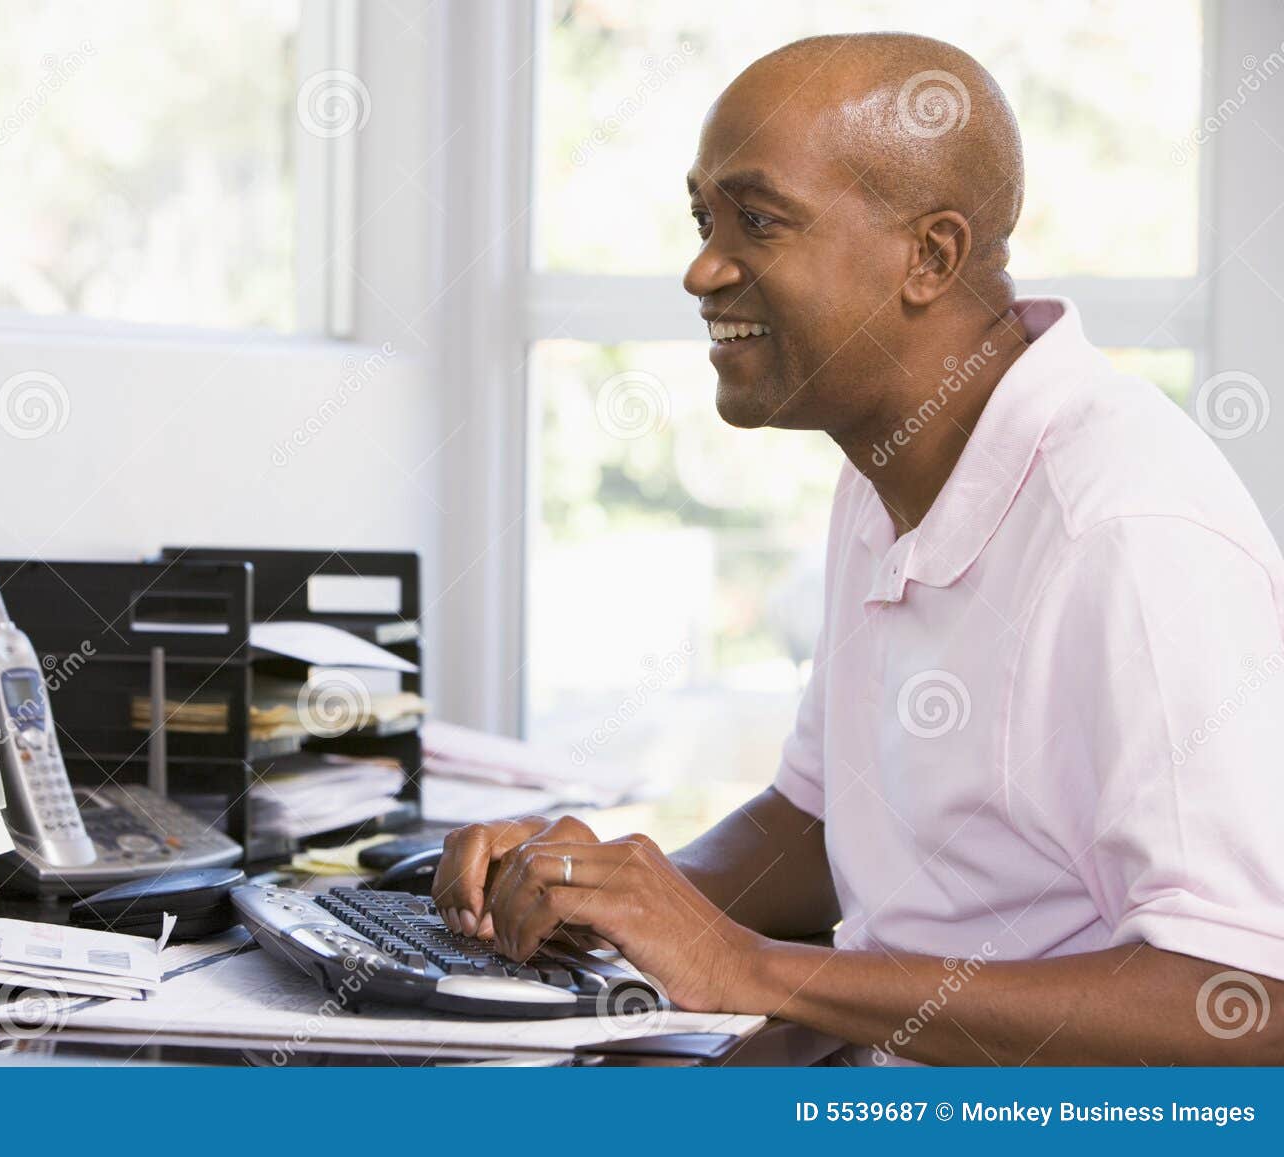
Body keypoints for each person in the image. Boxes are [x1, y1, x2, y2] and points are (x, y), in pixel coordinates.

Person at [433, 32, 1284, 1065]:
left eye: (757, 220)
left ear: (929, 255)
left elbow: (1241, 1000)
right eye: (703, 218)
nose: (702, 267)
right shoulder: (887, 466)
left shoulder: (1131, 534)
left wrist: (751, 966)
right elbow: (819, 824)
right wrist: (607, 890)